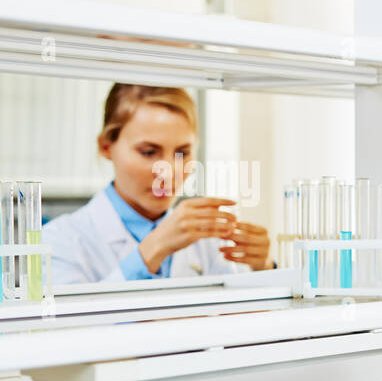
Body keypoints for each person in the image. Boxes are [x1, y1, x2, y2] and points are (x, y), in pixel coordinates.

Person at [46, 84, 272, 284]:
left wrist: (264, 268)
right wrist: (153, 250)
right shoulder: (59, 241)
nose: (169, 171)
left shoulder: (207, 243)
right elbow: (74, 327)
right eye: (149, 152)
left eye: (182, 152)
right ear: (106, 147)